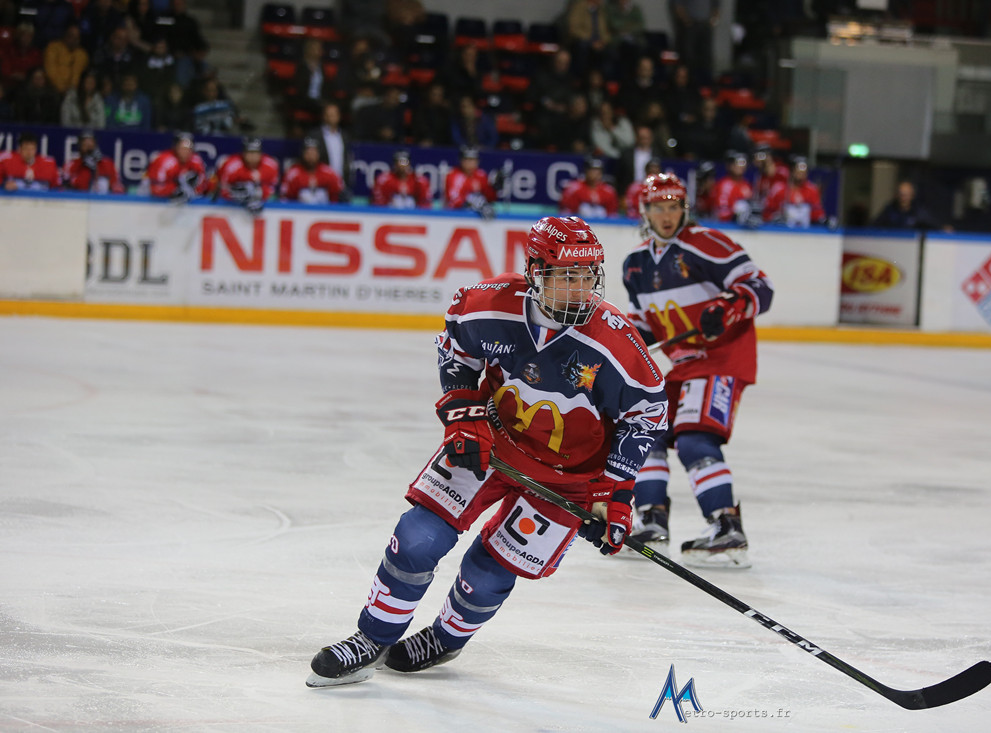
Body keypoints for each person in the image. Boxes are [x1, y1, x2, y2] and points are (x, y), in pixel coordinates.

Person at [305, 215, 668, 686]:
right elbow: (457, 351)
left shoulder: (614, 342)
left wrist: (615, 494)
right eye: (565, 277)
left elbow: (647, 414)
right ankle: (371, 638)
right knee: (417, 538)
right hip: (490, 443)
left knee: (488, 571)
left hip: (568, 478)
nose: (579, 290)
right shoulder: (488, 305)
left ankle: (446, 638)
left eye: (587, 277)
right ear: (536, 271)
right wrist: (464, 415)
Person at [621, 172, 774, 568]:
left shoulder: (706, 243)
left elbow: (760, 287)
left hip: (723, 357)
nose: (667, 215)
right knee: (646, 428)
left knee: (694, 439)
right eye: (658, 207)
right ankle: (652, 519)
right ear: (645, 211)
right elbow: (641, 326)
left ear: (684, 209)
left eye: (673, 207)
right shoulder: (635, 264)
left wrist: (727, 308)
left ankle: (725, 525)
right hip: (683, 364)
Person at [215, 136, 280, 214]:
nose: (253, 156)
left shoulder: (271, 165)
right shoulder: (232, 166)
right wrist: (235, 193)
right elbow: (222, 189)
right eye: (249, 152)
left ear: (261, 153)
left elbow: (274, 191)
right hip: (233, 208)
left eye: (256, 152)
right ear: (243, 153)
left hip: (265, 208)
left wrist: (257, 193)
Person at [761, 156, 826, 227]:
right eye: (798, 172)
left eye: (803, 173)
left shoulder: (811, 190)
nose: (801, 175)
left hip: (805, 233)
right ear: (792, 171)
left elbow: (818, 213)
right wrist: (774, 217)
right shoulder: (779, 189)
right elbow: (767, 211)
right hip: (782, 231)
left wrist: (823, 220)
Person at [146, 131, 209, 201]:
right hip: (151, 199)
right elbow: (156, 188)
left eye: (188, 148)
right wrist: (176, 187)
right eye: (182, 148)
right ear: (175, 147)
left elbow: (202, 186)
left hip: (183, 200)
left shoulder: (196, 161)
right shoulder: (164, 161)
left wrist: (189, 190)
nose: (185, 151)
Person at [281, 137, 345, 204]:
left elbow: (337, 196)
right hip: (299, 212)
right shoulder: (293, 174)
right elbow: (285, 199)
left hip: (325, 213)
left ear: (318, 154)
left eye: (313, 153)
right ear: (302, 154)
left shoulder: (329, 173)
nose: (311, 157)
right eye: (308, 153)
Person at [443, 146, 497, 216]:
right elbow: (454, 200)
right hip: (456, 215)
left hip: (478, 216)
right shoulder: (454, 175)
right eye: (466, 159)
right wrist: (471, 202)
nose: (470, 163)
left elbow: (490, 199)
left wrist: (495, 189)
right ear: (461, 160)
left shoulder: (481, 175)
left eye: (472, 159)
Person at [871, 180, 939, 230]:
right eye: (901, 195)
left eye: (906, 195)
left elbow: (933, 227)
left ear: (912, 195)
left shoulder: (919, 212)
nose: (903, 198)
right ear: (897, 195)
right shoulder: (890, 210)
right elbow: (874, 226)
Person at [714, 150, 753, 224]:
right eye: (737, 163)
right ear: (730, 166)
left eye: (743, 163)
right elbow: (721, 212)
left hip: (746, 227)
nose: (741, 166)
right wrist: (735, 215)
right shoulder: (724, 185)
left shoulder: (746, 185)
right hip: (729, 226)